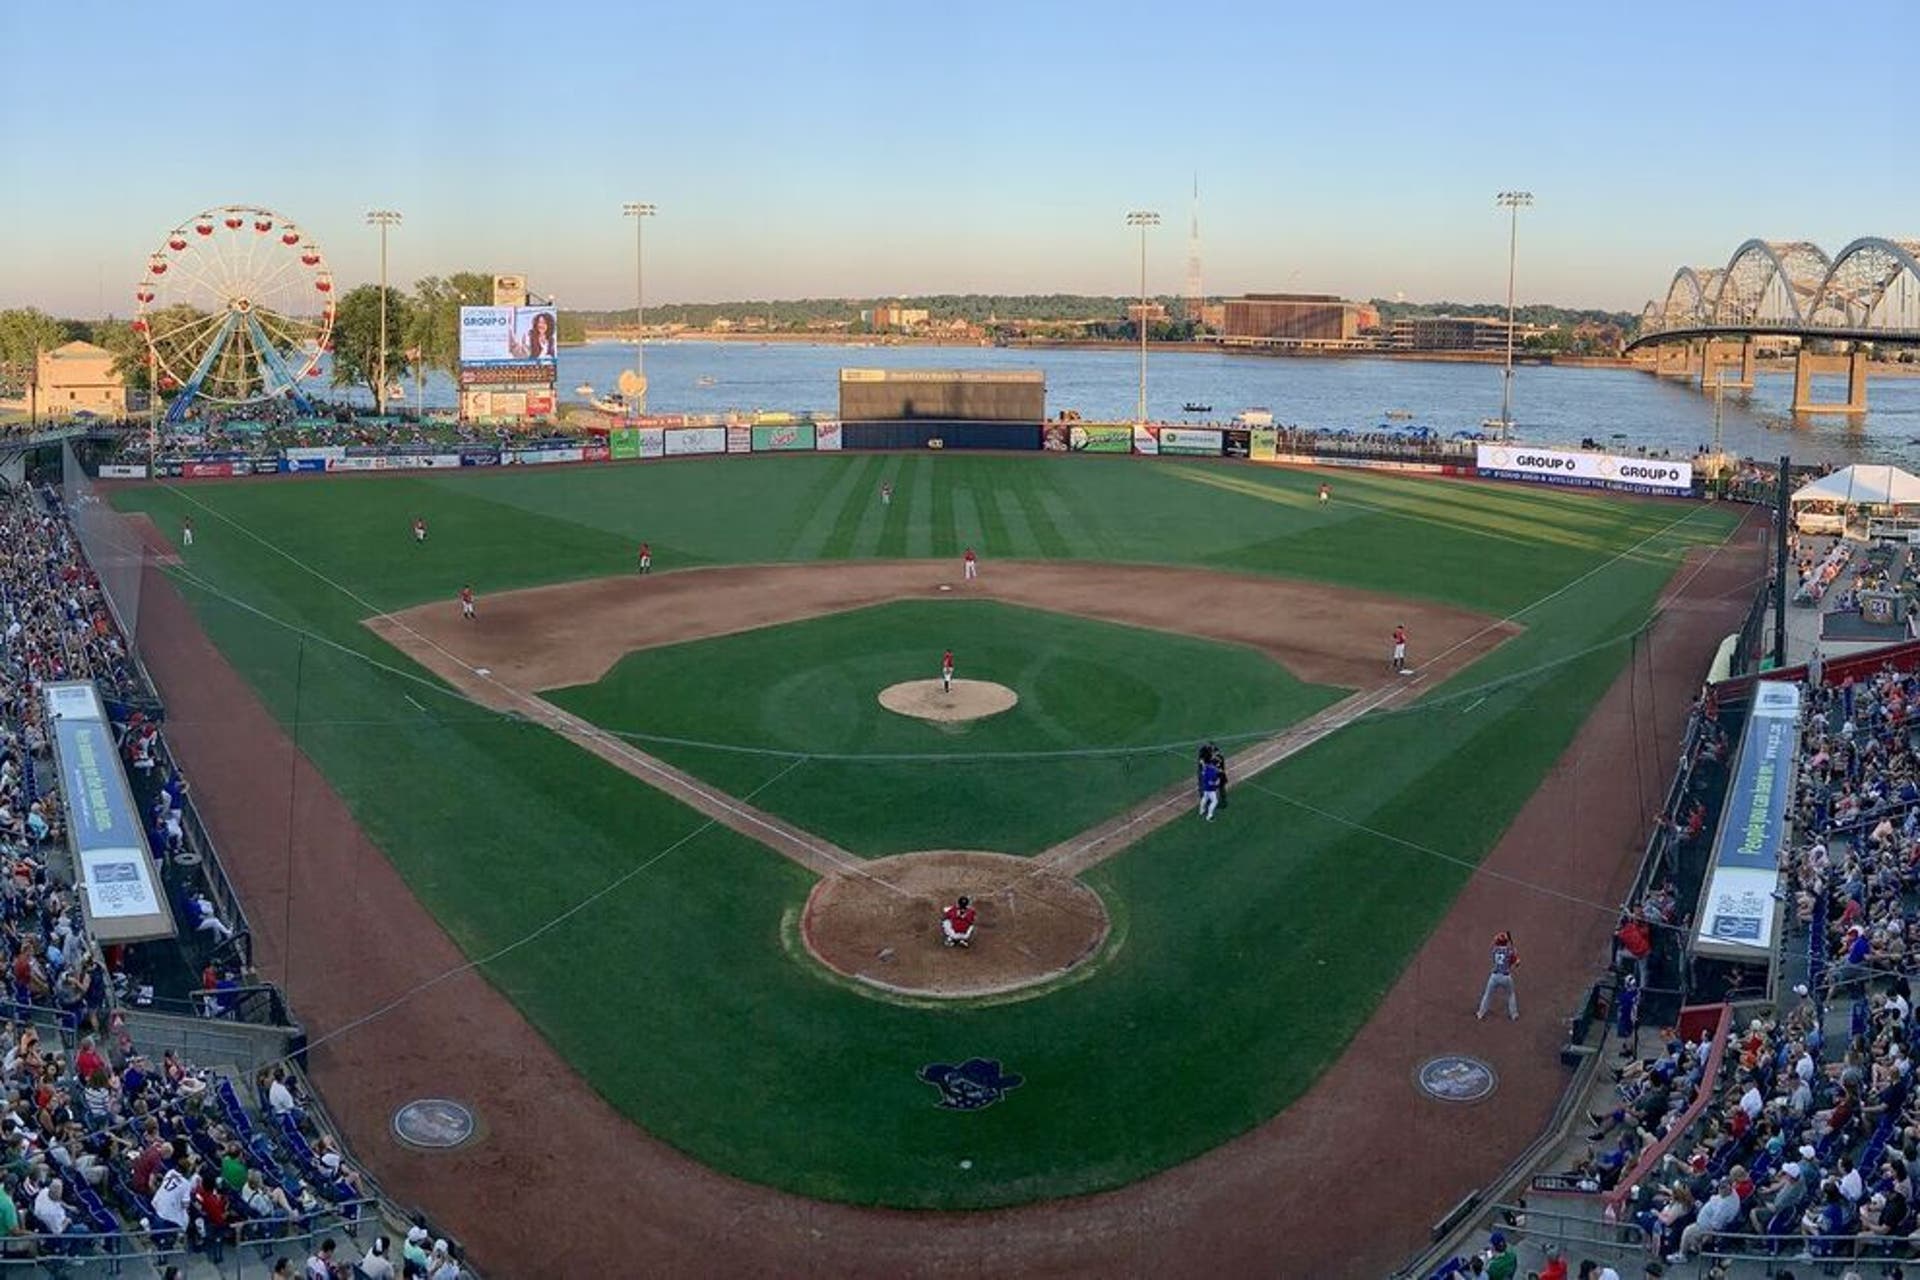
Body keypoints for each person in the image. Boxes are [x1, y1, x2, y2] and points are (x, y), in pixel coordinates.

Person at [1477, 931, 1519, 1021]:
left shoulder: (1494, 950)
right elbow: (1515, 964)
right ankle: (1514, 1015)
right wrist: (1516, 956)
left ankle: (1480, 1013)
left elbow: (1496, 945)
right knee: (1511, 994)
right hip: (1506, 977)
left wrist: (1512, 954)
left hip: (1494, 977)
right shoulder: (1509, 952)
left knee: (1487, 994)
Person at [1199, 755, 1223, 822]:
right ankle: (1209, 816)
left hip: (1205, 786)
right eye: (1218, 763)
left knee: (1205, 798)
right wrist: (1217, 783)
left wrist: (1202, 763)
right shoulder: (1213, 773)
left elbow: (1204, 769)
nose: (1218, 765)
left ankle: (1201, 811)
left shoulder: (1207, 766)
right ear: (1215, 764)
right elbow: (1211, 783)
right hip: (1210, 789)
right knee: (1215, 802)